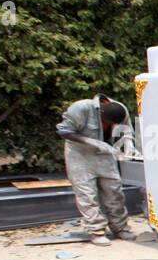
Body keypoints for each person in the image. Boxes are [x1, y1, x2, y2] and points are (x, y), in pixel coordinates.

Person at [56, 95, 138, 246]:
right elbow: (64, 131)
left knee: (114, 191)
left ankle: (120, 228)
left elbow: (126, 129)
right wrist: (91, 141)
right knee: (87, 193)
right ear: (101, 114)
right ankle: (97, 231)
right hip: (80, 155)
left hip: (105, 153)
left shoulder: (120, 109)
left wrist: (128, 144)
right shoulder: (81, 108)